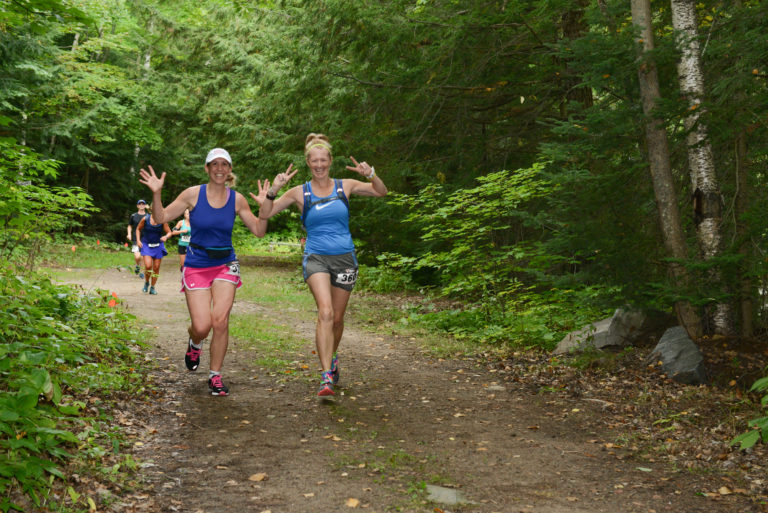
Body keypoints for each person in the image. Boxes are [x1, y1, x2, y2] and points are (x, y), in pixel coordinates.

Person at [139, 148, 295, 396]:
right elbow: (160, 218)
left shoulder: (237, 199)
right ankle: (195, 342)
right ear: (207, 168)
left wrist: (269, 198)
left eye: (224, 164)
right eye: (215, 164)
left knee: (220, 321)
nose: (220, 168)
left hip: (225, 264)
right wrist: (156, 193)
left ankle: (215, 376)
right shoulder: (192, 194)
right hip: (197, 264)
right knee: (202, 327)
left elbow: (259, 230)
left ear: (229, 169)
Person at [256, 133, 388, 397]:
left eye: (323, 160)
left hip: (345, 258)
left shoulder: (345, 186)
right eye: (314, 161)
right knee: (325, 313)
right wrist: (273, 191)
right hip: (316, 257)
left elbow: (380, 191)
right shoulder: (299, 192)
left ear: (330, 161)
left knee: (337, 319)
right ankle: (326, 375)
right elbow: (265, 213)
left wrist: (371, 174)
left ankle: (332, 355)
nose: (319, 165)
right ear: (308, 162)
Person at [135, 208, 172, 295]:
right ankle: (147, 282)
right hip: (146, 245)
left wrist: (166, 236)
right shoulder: (145, 219)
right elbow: (138, 229)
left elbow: (169, 232)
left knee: (156, 267)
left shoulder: (163, 221)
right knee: (148, 266)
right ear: (152, 210)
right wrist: (138, 240)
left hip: (158, 245)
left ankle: (152, 287)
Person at [127, 199, 148, 278]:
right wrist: (129, 234)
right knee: (137, 256)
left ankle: (142, 272)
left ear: (145, 206)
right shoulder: (133, 216)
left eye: (143, 204)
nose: (141, 205)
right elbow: (129, 226)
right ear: (137, 206)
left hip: (145, 238)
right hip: (136, 238)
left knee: (143, 256)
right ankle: (137, 265)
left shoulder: (148, 216)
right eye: (140, 204)